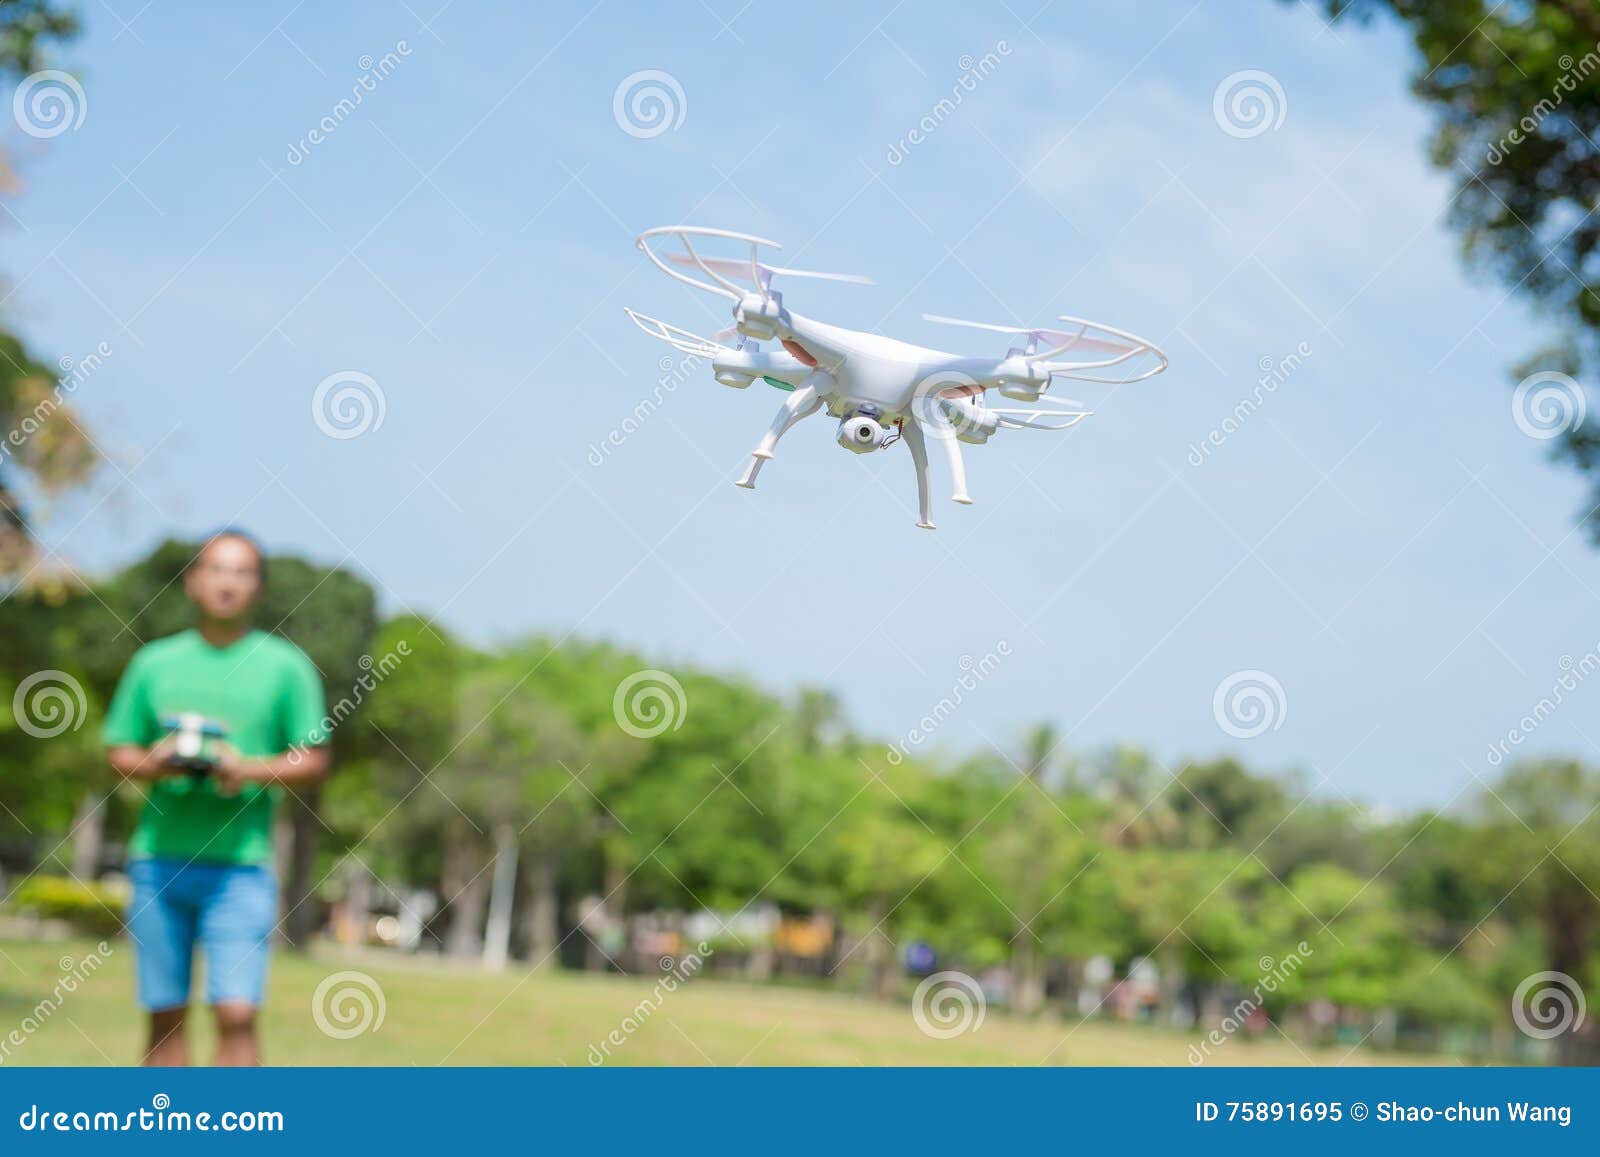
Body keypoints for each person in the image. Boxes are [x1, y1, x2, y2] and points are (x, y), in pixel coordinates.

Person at [102, 530, 330, 1065]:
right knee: (164, 1015)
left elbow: (314, 759)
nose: (228, 582)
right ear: (193, 581)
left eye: (242, 572)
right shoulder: (154, 662)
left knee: (236, 1012)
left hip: (242, 868)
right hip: (159, 862)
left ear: (259, 587)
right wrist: (155, 762)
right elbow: (118, 750)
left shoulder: (285, 666)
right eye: (217, 569)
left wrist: (247, 769)